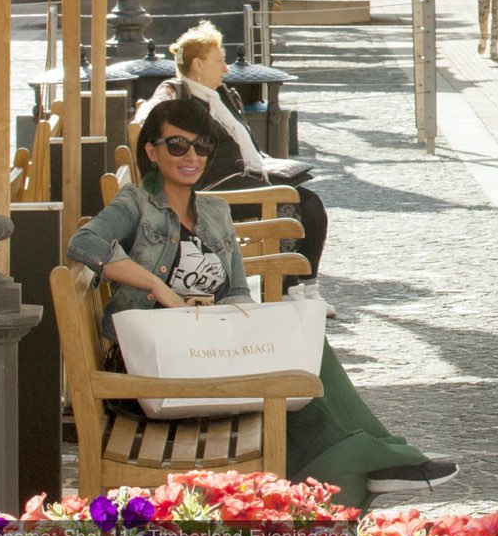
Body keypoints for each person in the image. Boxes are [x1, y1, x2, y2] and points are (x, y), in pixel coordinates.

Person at [69, 96, 456, 502]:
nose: (192, 156)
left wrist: (254, 334)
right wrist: (156, 286)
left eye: (202, 146)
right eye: (178, 145)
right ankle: (371, 467)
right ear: (152, 150)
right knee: (296, 368)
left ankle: (375, 465)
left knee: (302, 344)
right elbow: (84, 243)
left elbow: (236, 290)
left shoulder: (215, 212)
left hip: (205, 351)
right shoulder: (136, 204)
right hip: (155, 366)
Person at [135, 22, 330, 312]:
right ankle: (289, 290)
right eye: (219, 61)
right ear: (198, 65)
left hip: (242, 175)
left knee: (311, 202)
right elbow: (151, 113)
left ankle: (304, 288)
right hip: (213, 190)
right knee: (298, 202)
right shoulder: (180, 97)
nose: (225, 68)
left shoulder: (221, 95)